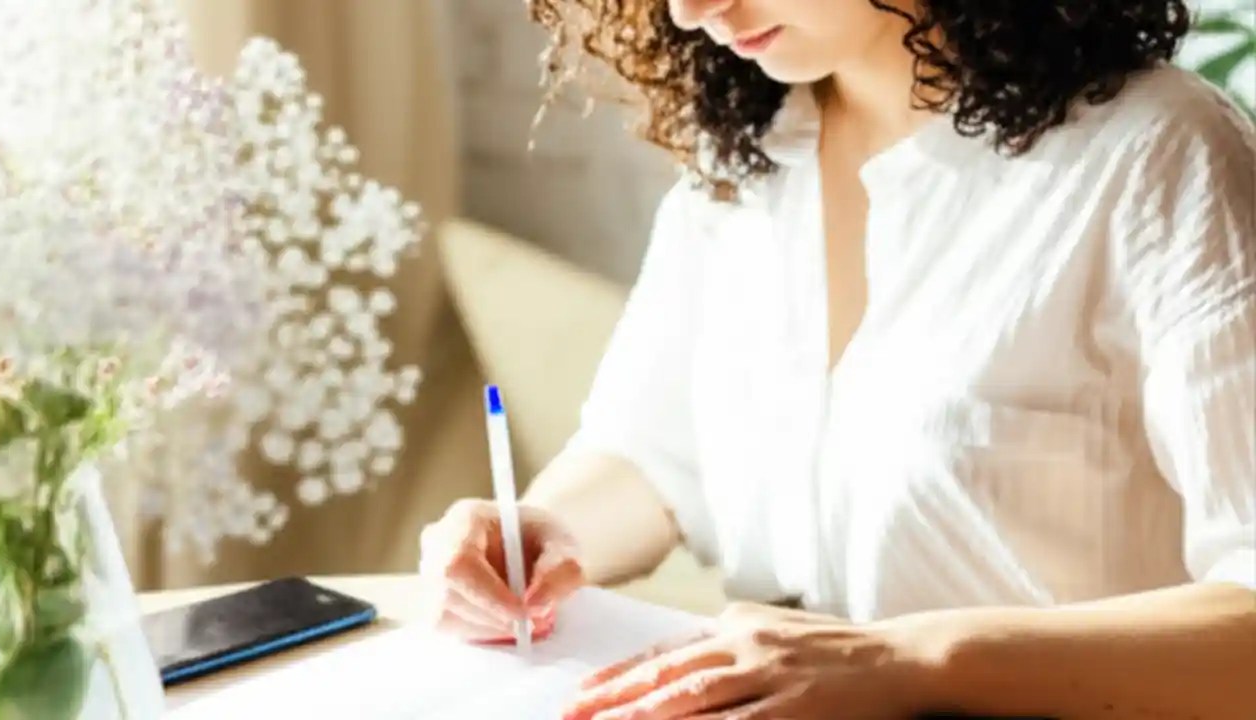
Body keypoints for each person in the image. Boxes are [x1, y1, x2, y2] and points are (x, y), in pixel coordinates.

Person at [419, 0, 1256, 717]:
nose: (689, 11)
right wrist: (539, 535)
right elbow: (652, 453)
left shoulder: (1162, 158)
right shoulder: (745, 161)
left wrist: (909, 661)